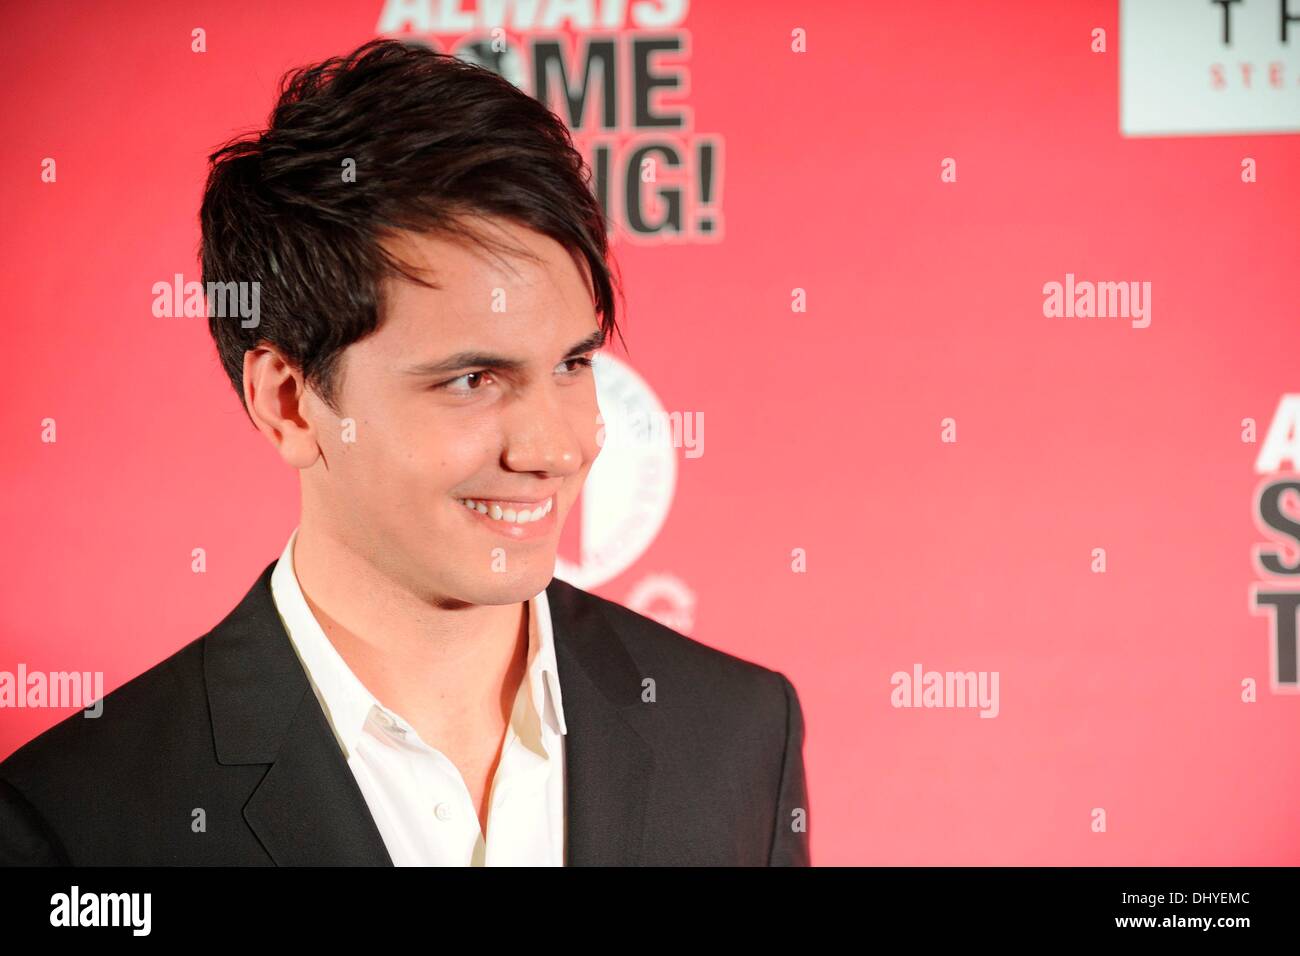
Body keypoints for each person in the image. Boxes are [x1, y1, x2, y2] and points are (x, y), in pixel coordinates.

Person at [0, 38, 809, 866]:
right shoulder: (74, 825)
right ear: (289, 401)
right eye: (472, 379)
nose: (553, 449)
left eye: (571, 365)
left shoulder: (739, 734)